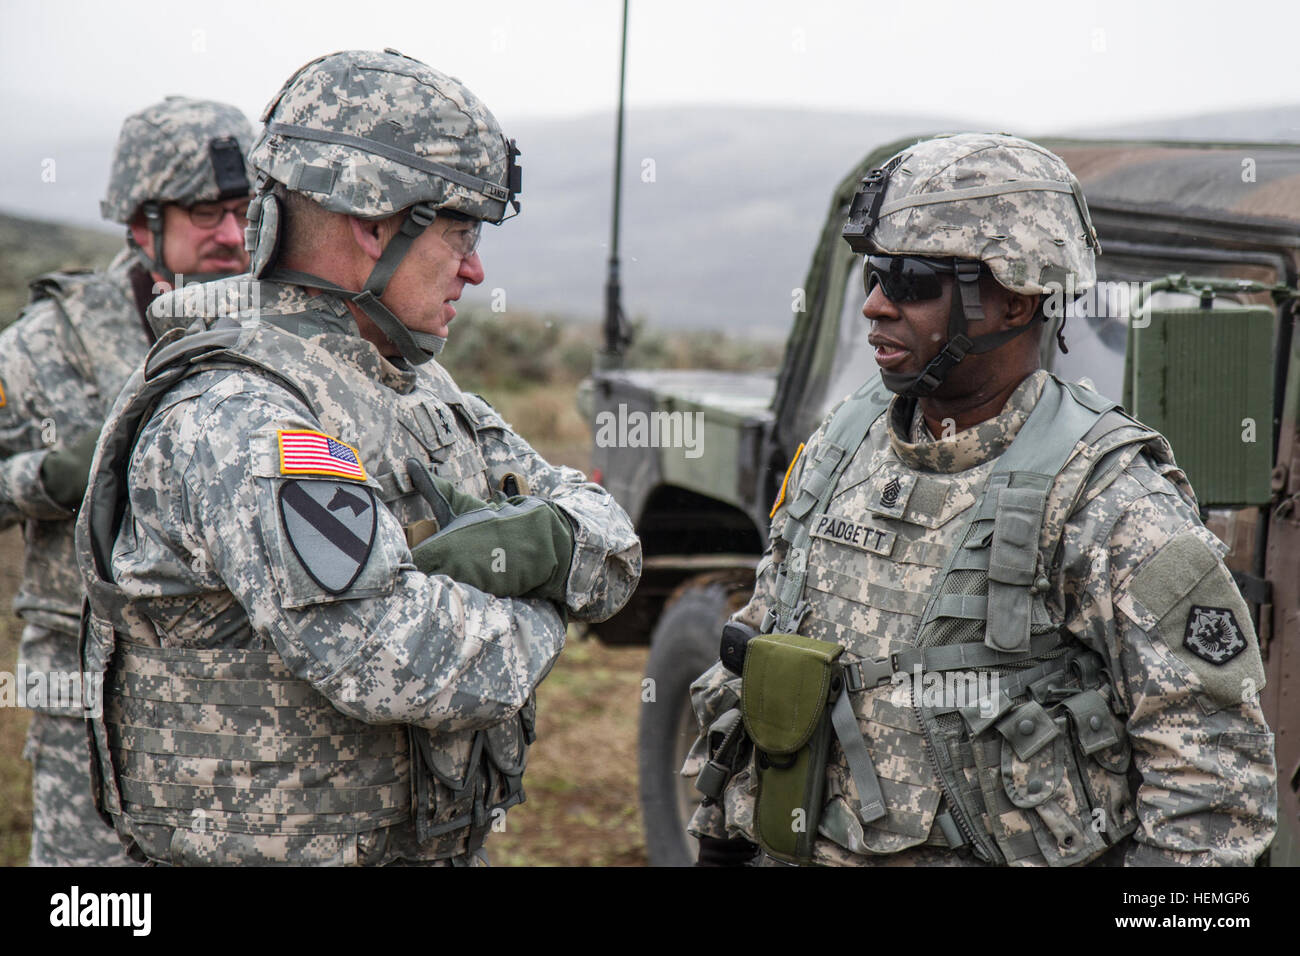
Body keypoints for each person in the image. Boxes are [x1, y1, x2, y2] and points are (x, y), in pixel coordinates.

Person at [75, 49, 641, 866]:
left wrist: (544, 543)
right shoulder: (242, 415)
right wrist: (550, 603)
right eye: (460, 232)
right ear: (375, 222)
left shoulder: (410, 383)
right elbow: (397, 662)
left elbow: (610, 538)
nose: (476, 269)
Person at [684, 132, 1276, 867]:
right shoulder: (844, 443)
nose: (874, 306)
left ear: (1015, 297)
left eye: (910, 282)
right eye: (874, 274)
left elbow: (1211, 777)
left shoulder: (1108, 500)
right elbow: (760, 652)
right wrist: (720, 838)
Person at [0, 96, 253, 866]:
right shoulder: (48, 343)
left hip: (236, 693)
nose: (235, 236)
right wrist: (47, 474)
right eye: (207, 213)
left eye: (248, 211)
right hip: (88, 694)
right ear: (143, 221)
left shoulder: (274, 329)